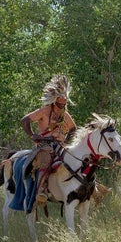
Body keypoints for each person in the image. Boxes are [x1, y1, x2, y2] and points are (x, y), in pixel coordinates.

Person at [21, 74, 77, 203]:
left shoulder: (65, 114)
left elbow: (73, 128)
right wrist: (32, 135)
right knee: (45, 160)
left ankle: (91, 188)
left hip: (61, 145)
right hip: (44, 145)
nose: (62, 103)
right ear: (55, 100)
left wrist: (67, 141)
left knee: (78, 157)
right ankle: (41, 191)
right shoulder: (45, 111)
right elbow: (25, 120)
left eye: (64, 101)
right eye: (60, 100)